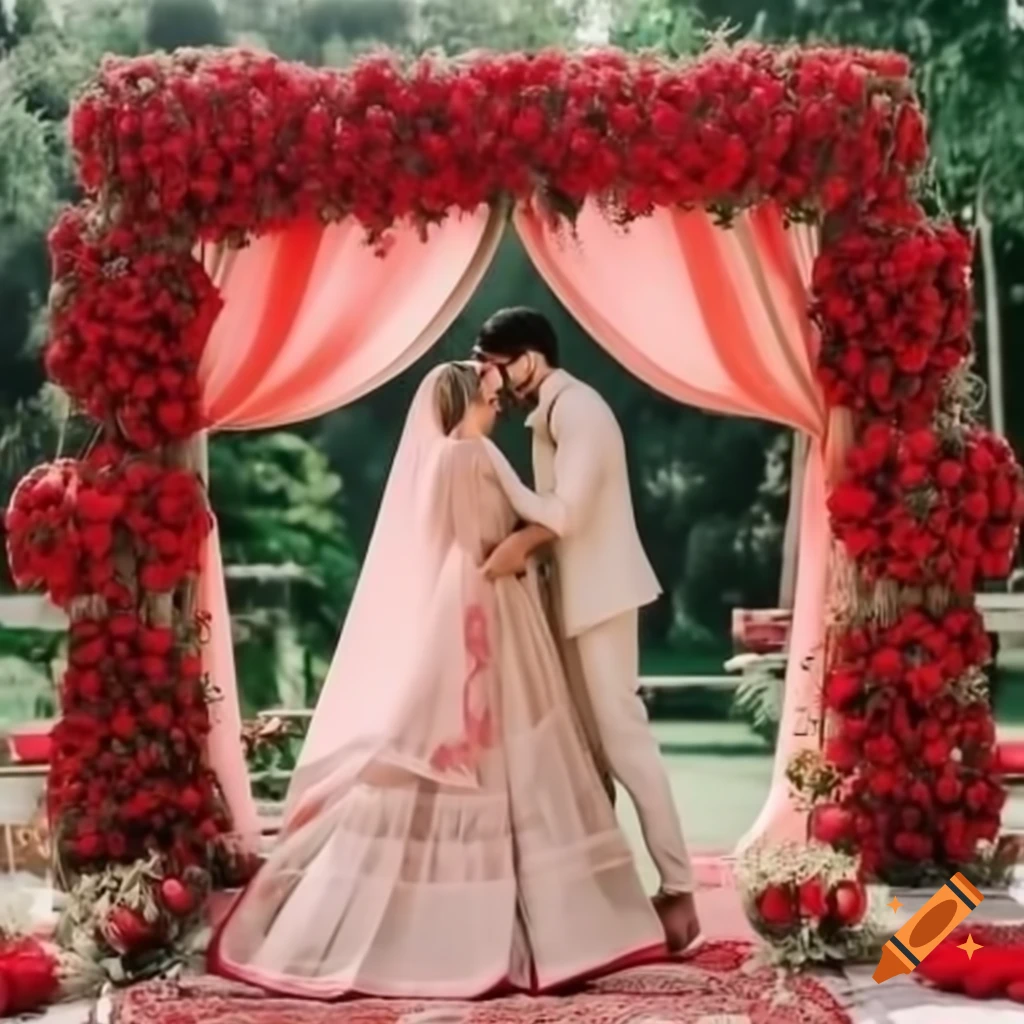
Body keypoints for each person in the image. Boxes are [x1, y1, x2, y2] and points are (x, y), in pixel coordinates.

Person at [208, 362, 668, 999]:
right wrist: (527, 540)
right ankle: (543, 920)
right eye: (489, 393)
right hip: (490, 603)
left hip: (469, 599)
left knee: (483, 746)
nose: (498, 401)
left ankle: (484, 910)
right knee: (509, 746)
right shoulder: (470, 455)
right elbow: (499, 530)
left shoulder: (439, 461)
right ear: (468, 399)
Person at [471, 307, 700, 952]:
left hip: (601, 596)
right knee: (583, 749)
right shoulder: (551, 412)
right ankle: (607, 893)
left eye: (500, 365)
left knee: (623, 741)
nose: (498, 380)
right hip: (571, 597)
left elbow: (564, 514)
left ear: (532, 357)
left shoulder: (580, 411)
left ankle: (678, 887)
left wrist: (490, 465)